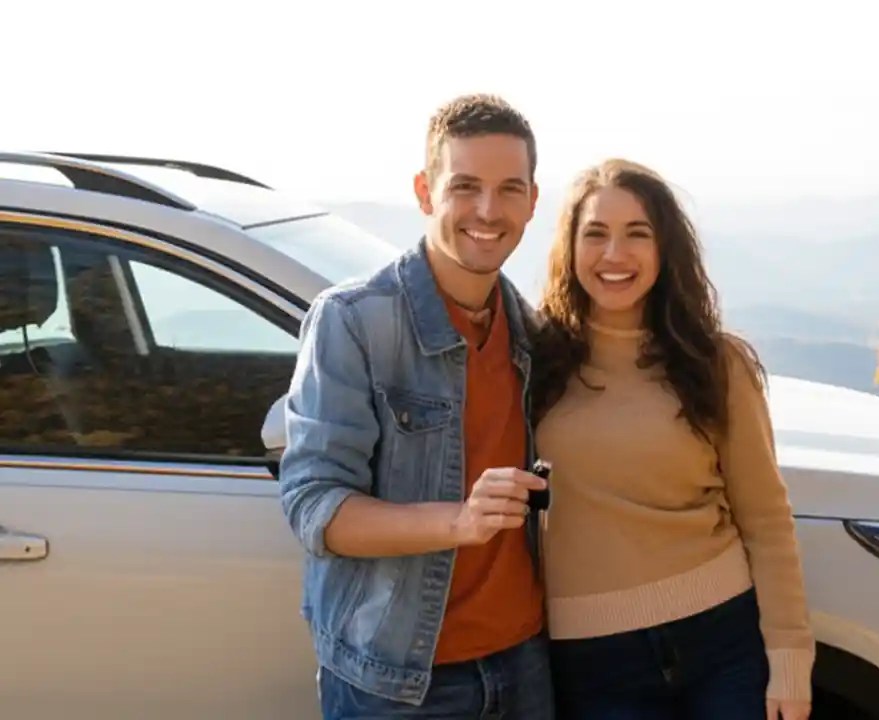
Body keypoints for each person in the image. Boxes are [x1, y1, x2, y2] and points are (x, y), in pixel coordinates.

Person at [278, 93, 554, 719]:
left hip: (525, 661)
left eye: (510, 188)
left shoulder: (531, 331)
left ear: (533, 201)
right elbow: (314, 506)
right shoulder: (353, 321)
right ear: (425, 192)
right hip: (396, 680)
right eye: (465, 186)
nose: (488, 210)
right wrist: (457, 521)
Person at [530, 158, 816, 720]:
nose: (615, 254)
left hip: (722, 640)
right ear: (569, 248)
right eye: (596, 234)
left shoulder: (715, 363)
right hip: (591, 661)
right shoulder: (535, 361)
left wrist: (790, 659)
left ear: (665, 250)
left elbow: (766, 519)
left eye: (638, 233)